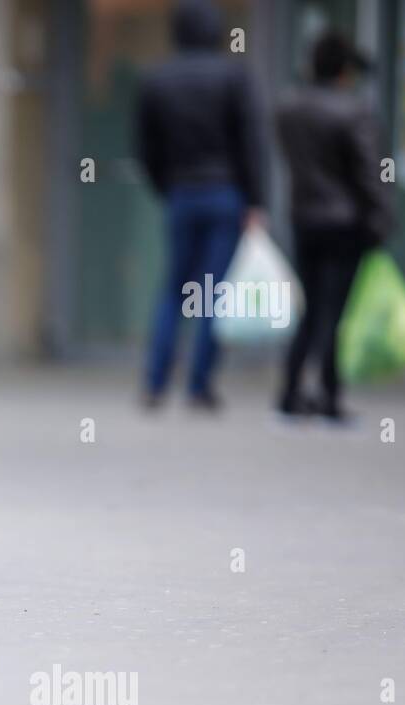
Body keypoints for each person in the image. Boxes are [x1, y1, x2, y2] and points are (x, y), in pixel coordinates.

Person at [135, 0, 267, 411]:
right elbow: (251, 143)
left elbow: (146, 147)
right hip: (225, 193)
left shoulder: (157, 79)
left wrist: (165, 186)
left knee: (175, 289)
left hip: (182, 192)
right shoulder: (233, 77)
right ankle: (199, 385)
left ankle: (155, 382)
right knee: (210, 292)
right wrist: (256, 199)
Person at [275, 31, 392, 423]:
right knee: (334, 313)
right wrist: (381, 216)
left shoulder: (290, 108)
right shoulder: (352, 111)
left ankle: (292, 391)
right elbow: (369, 174)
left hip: (304, 218)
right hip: (344, 223)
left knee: (312, 308)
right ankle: (328, 397)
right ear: (343, 69)